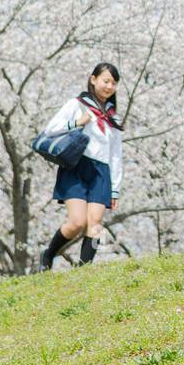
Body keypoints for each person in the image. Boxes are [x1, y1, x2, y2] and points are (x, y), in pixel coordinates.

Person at [38, 62, 124, 269]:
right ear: (93, 79)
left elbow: (116, 155)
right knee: (77, 223)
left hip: (102, 172)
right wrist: (77, 122)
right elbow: (50, 129)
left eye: (113, 83)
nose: (109, 86)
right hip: (76, 167)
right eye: (106, 81)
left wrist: (115, 190)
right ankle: (48, 254)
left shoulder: (113, 117)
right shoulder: (77, 104)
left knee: (95, 223)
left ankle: (84, 269)